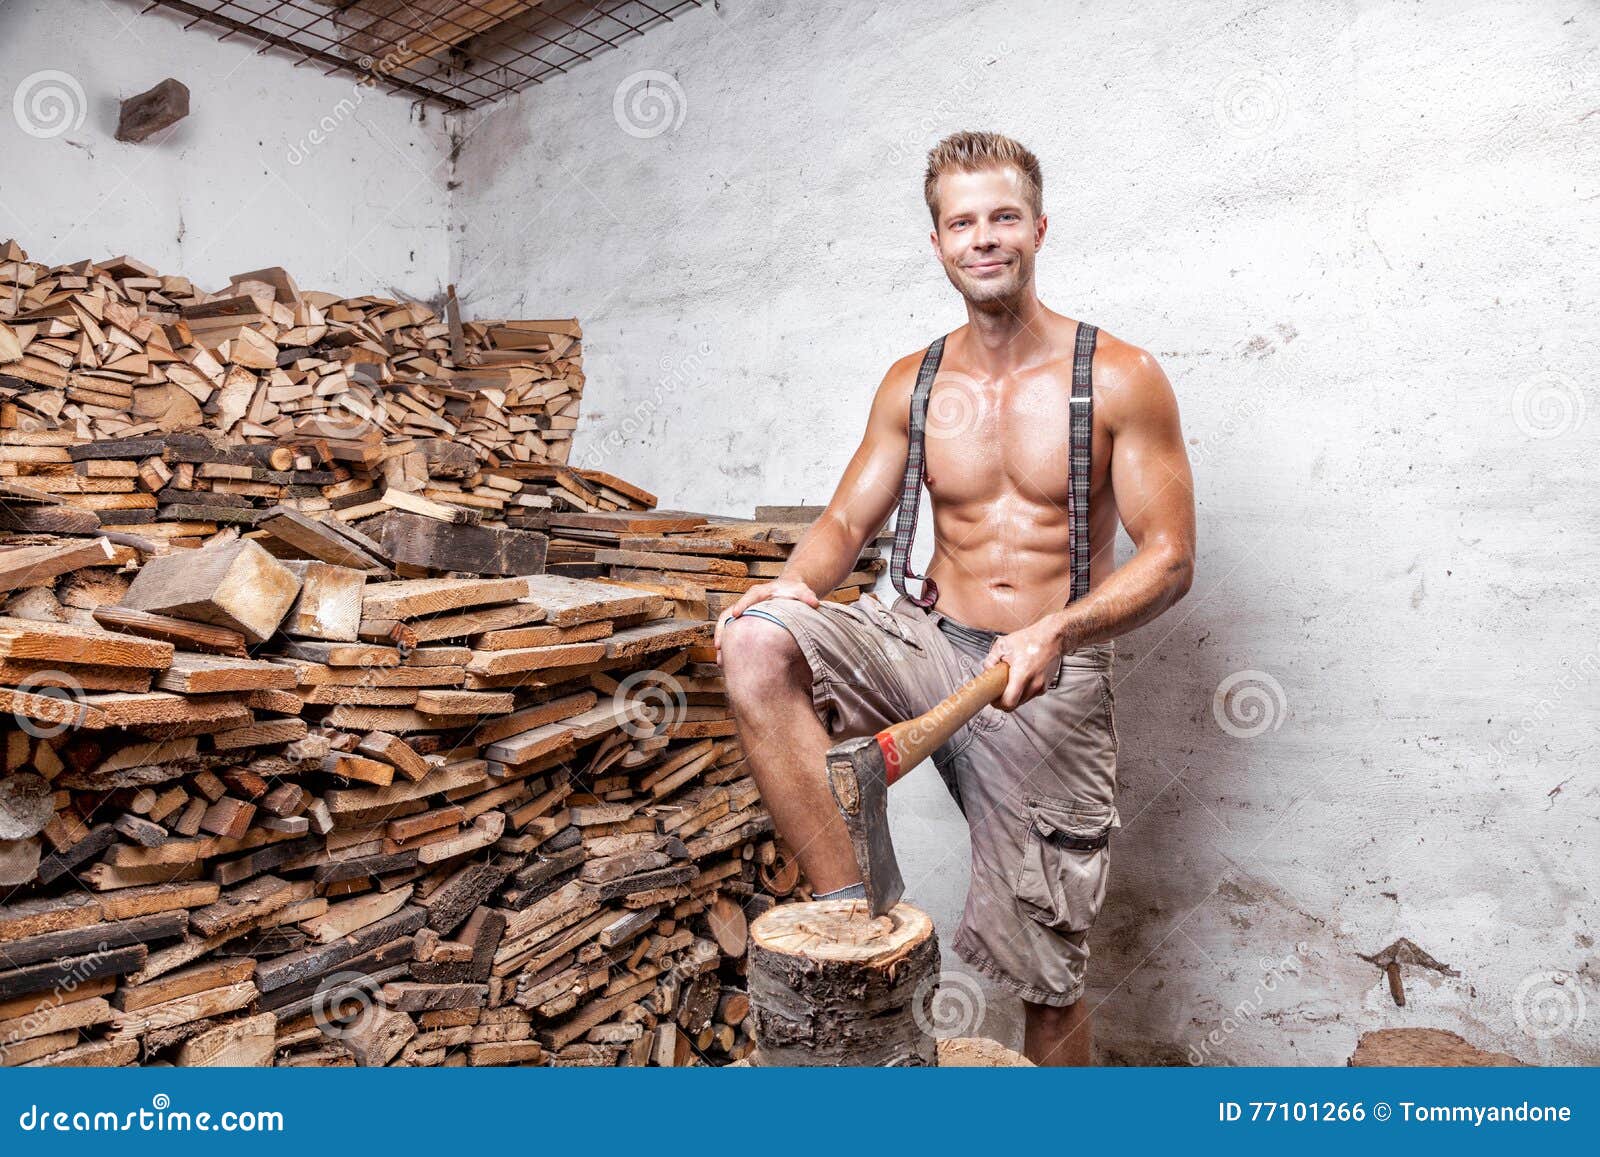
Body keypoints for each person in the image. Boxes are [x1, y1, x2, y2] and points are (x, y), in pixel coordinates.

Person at [715, 130, 1196, 1066]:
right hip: (923, 636)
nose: (984, 237)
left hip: (1047, 675)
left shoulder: (1121, 375)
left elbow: (1172, 557)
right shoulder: (915, 381)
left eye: (1003, 217)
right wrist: (792, 586)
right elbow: (847, 524)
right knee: (758, 641)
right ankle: (851, 906)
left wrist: (1057, 627)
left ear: (1039, 229)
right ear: (937, 243)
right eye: (962, 222)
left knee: (1048, 973)